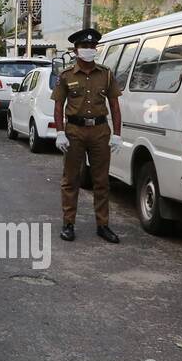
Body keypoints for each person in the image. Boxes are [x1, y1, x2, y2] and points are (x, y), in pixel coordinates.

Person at [52, 28, 123, 244]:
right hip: (74, 131)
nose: (89, 50)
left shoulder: (106, 74)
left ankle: (103, 225)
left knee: (101, 180)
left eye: (92, 47)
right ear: (76, 50)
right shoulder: (66, 76)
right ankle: (68, 224)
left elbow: (115, 106)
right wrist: (60, 132)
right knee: (71, 179)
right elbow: (58, 106)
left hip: (100, 131)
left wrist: (117, 134)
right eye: (84, 47)